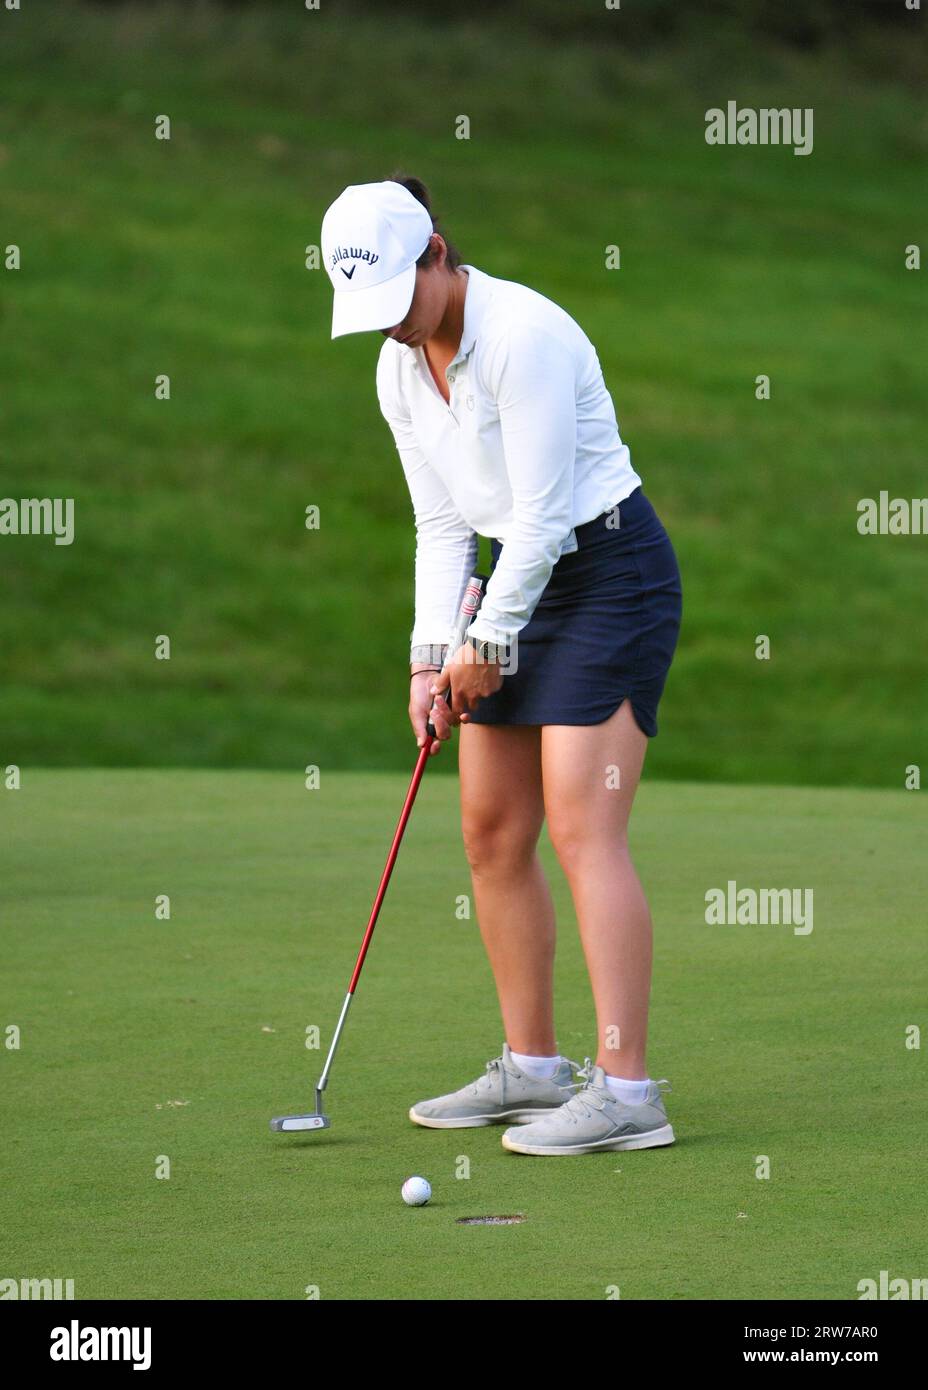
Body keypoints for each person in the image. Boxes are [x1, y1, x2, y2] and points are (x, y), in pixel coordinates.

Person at [321, 174, 682, 1155]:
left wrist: (484, 647)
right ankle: (533, 1066)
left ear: (437, 252)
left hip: (607, 574)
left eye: (402, 298)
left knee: (580, 822)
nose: (393, 327)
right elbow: (442, 523)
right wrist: (427, 659)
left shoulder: (527, 334)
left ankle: (628, 1089)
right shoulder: (398, 369)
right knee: (489, 828)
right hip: (512, 577)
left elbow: (542, 518)